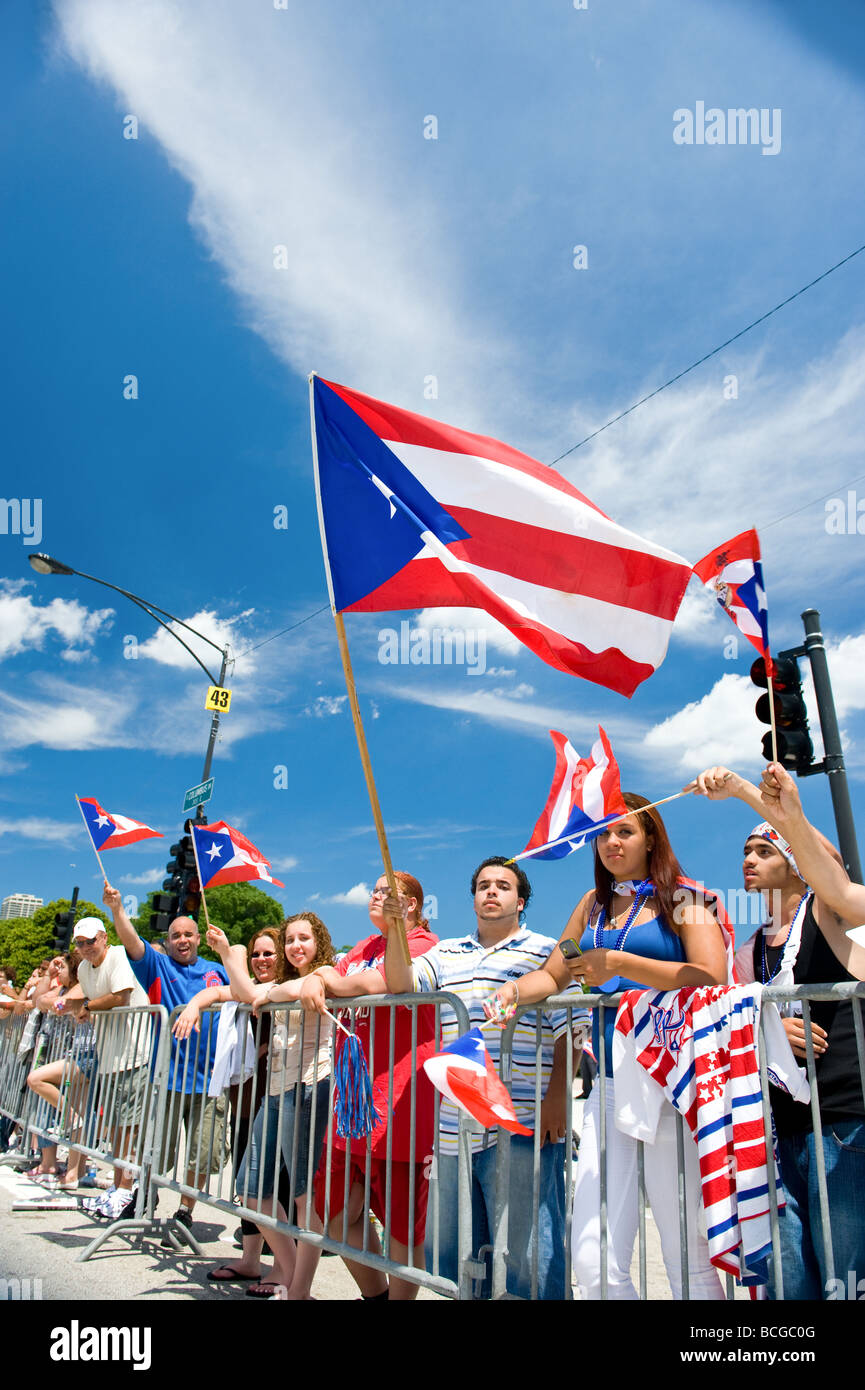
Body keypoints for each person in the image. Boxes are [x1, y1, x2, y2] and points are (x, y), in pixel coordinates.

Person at [487, 802, 730, 1301]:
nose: (611, 843)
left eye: (625, 832)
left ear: (651, 839)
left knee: (686, 1252)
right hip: (609, 1085)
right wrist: (512, 991)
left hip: (672, 1083)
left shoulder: (685, 897)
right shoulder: (591, 904)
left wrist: (620, 962)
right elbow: (554, 975)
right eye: (603, 835)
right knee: (593, 1258)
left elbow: (712, 975)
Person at [695, 763, 865, 1298]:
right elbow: (727, 1029)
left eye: (764, 850)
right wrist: (772, 1034)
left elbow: (833, 880)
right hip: (773, 1132)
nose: (747, 860)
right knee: (791, 1284)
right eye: (744, 851)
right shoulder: (747, 951)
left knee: (845, 1279)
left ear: (796, 864)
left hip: (840, 1121)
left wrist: (748, 792)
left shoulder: (831, 913)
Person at [383, 856, 573, 1301]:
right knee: (463, 1254)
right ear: (472, 899)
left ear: (520, 902)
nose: (491, 891)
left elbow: (571, 1026)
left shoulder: (544, 950)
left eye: (502, 886)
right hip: (457, 1126)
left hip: (524, 1121)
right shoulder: (446, 952)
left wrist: (558, 1098)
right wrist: (395, 929)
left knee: (529, 1253)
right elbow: (399, 982)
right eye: (484, 885)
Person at [300, 871, 438, 1301]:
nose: (375, 897)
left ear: (411, 904)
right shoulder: (361, 947)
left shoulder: (424, 946)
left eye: (386, 892)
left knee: (401, 1222)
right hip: (352, 1106)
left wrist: (324, 980)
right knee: (334, 1213)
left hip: (401, 1101)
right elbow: (337, 970)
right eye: (374, 891)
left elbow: (371, 983)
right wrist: (318, 977)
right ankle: (375, 1295)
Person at [103, 884, 229, 1234]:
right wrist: (117, 910)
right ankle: (148, 1195)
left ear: (199, 938)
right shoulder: (156, 965)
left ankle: (185, 1211)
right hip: (169, 1078)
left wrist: (201, 999)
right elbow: (131, 941)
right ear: (168, 941)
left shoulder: (217, 969)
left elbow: (239, 992)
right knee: (157, 1149)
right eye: (176, 935)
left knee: (202, 1154)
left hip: (211, 1081)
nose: (182, 940)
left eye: (189, 934)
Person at [172, 924, 290, 1287]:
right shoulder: (246, 986)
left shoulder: (281, 988)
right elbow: (219, 991)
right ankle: (250, 1261)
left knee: (272, 1187)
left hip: (278, 1103)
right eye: (255, 954)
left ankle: (286, 1270)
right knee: (246, 1182)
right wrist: (193, 1005)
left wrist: (227, 952)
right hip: (244, 1102)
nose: (261, 959)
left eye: (268, 953)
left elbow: (245, 992)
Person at [229, 913, 335, 1300]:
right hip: (275, 1090)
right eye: (290, 939)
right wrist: (231, 952)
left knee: (305, 1193)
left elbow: (302, 989)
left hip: (310, 1084)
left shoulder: (326, 971)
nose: (295, 946)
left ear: (318, 940)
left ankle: (300, 1290)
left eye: (304, 938)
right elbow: (242, 992)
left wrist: (269, 994)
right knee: (252, 1189)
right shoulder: (285, 981)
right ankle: (291, 1278)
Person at [72, 918, 153, 1220]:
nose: (85, 948)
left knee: (129, 1126)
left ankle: (127, 1187)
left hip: (134, 1053)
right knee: (116, 1126)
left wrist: (89, 1007)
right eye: (80, 943)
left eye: (90, 941)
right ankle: (119, 1186)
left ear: (103, 938)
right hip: (108, 1055)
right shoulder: (82, 968)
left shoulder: (118, 955)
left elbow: (122, 996)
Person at [25, 950, 95, 1190]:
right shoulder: (71, 988)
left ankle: (68, 1116)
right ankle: (75, 1172)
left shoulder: (84, 984)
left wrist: (60, 1002)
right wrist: (56, 998)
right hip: (78, 1053)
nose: (57, 972)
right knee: (79, 1119)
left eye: (62, 968)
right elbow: (42, 1001)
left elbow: (59, 1004)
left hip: (89, 1054)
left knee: (36, 1078)